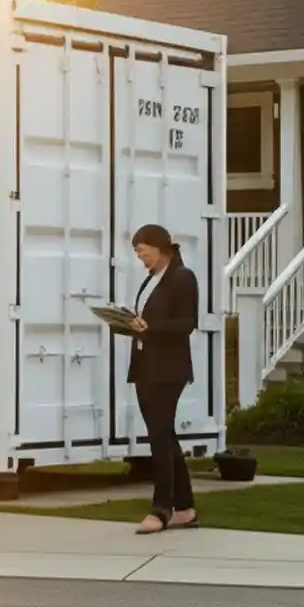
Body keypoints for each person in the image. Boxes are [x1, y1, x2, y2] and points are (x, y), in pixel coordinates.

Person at [122, 224, 200, 535]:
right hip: (145, 367)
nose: (140, 258)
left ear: (159, 248)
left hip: (168, 370)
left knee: (159, 437)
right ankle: (186, 509)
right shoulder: (152, 280)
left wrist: (150, 327)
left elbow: (187, 323)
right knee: (165, 436)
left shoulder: (182, 278)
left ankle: (161, 509)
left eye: (142, 251)